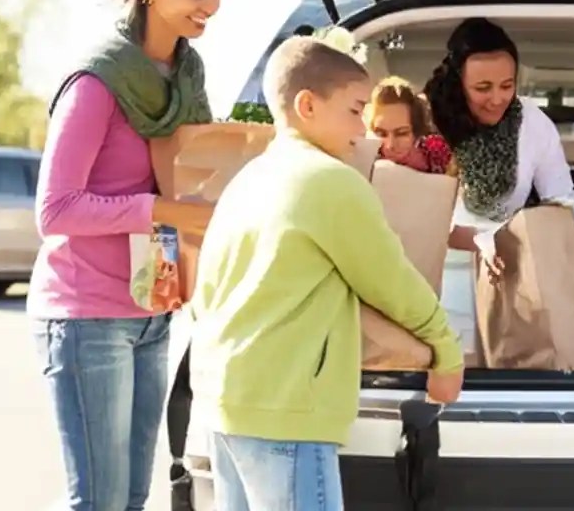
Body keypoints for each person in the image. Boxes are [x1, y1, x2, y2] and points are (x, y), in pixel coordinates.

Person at [189, 36, 464, 511]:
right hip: (285, 416)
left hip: (223, 404)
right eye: (355, 110)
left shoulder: (249, 179)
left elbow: (205, 293)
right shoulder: (330, 180)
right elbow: (391, 281)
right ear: (307, 105)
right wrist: (446, 352)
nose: (364, 131)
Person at [29, 0, 223, 511]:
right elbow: (55, 209)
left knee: (134, 499)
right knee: (101, 503)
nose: (210, 6)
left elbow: (199, 168)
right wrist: (160, 209)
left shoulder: (187, 76)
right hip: (87, 318)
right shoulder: (97, 83)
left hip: (151, 307)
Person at [424, 18, 574, 280]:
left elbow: (559, 195)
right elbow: (418, 216)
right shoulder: (425, 122)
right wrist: (481, 239)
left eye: (507, 86)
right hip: (434, 270)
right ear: (458, 84)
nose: (497, 99)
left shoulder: (530, 120)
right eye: (483, 88)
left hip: (505, 270)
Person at [368, 75, 453, 174]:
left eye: (401, 133)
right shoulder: (365, 158)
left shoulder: (440, 153)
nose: (390, 145)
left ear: (417, 132)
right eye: (381, 134)